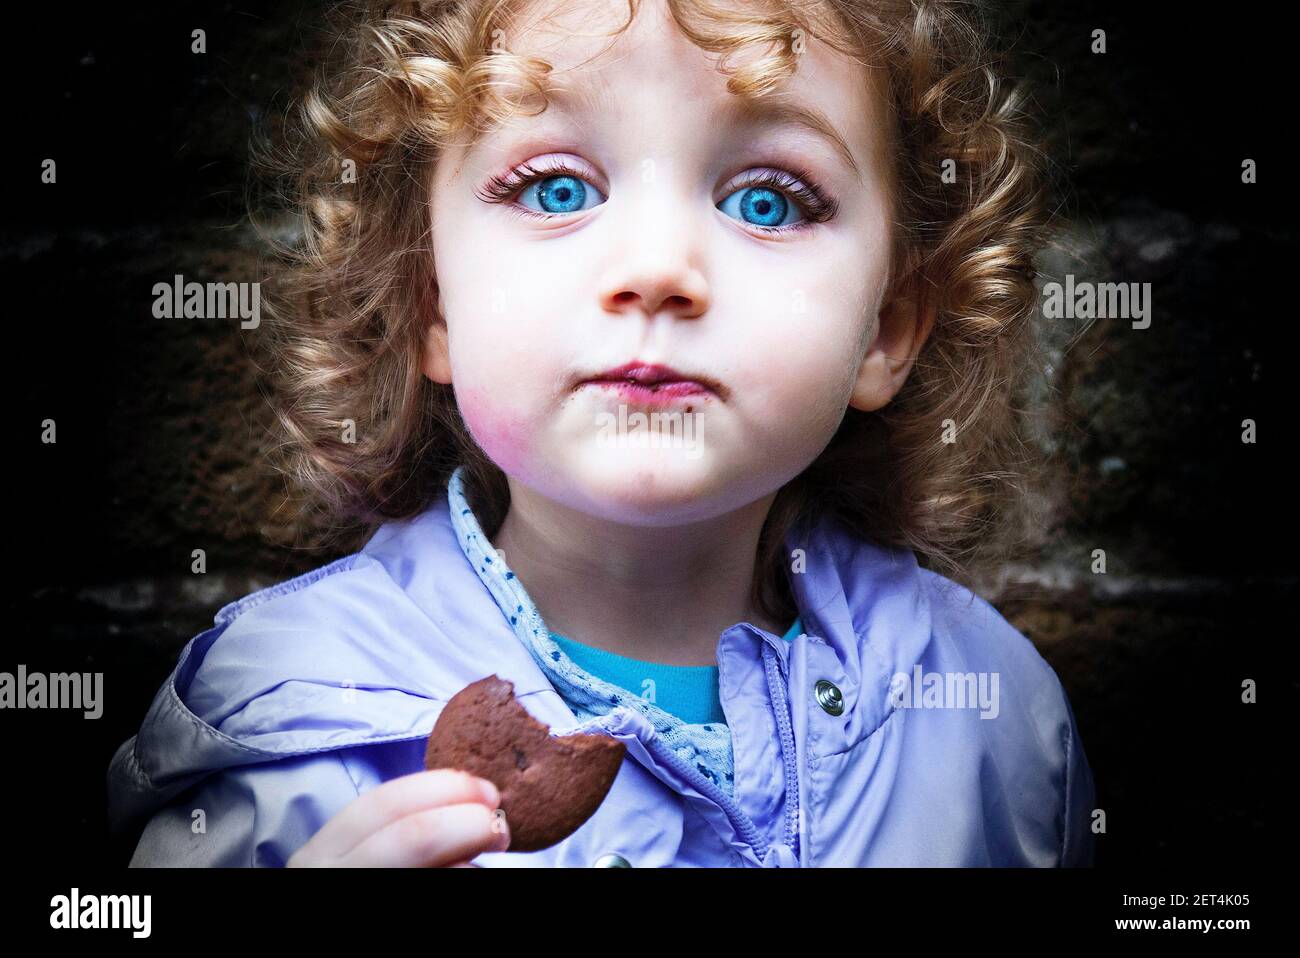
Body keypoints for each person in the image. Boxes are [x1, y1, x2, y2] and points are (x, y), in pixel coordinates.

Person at [107, 0, 1096, 867]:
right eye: (555, 189)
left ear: (886, 325)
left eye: (767, 201)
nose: (657, 266)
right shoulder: (284, 728)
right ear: (430, 303)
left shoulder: (991, 718)